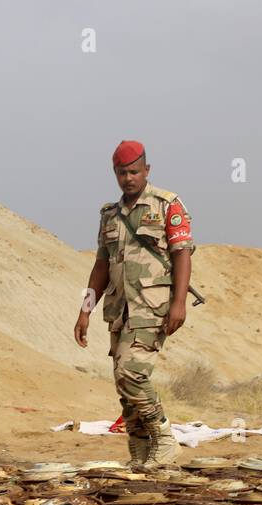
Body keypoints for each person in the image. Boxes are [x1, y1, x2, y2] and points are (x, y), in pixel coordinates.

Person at [74, 140, 196, 472]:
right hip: (119, 309)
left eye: (134, 172)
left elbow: (182, 254)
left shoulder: (166, 205)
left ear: (147, 171)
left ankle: (164, 437)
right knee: (122, 383)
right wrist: (85, 309)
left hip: (153, 307)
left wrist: (179, 303)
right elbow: (101, 265)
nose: (128, 178)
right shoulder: (109, 215)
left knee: (132, 374)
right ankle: (141, 452)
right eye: (121, 173)